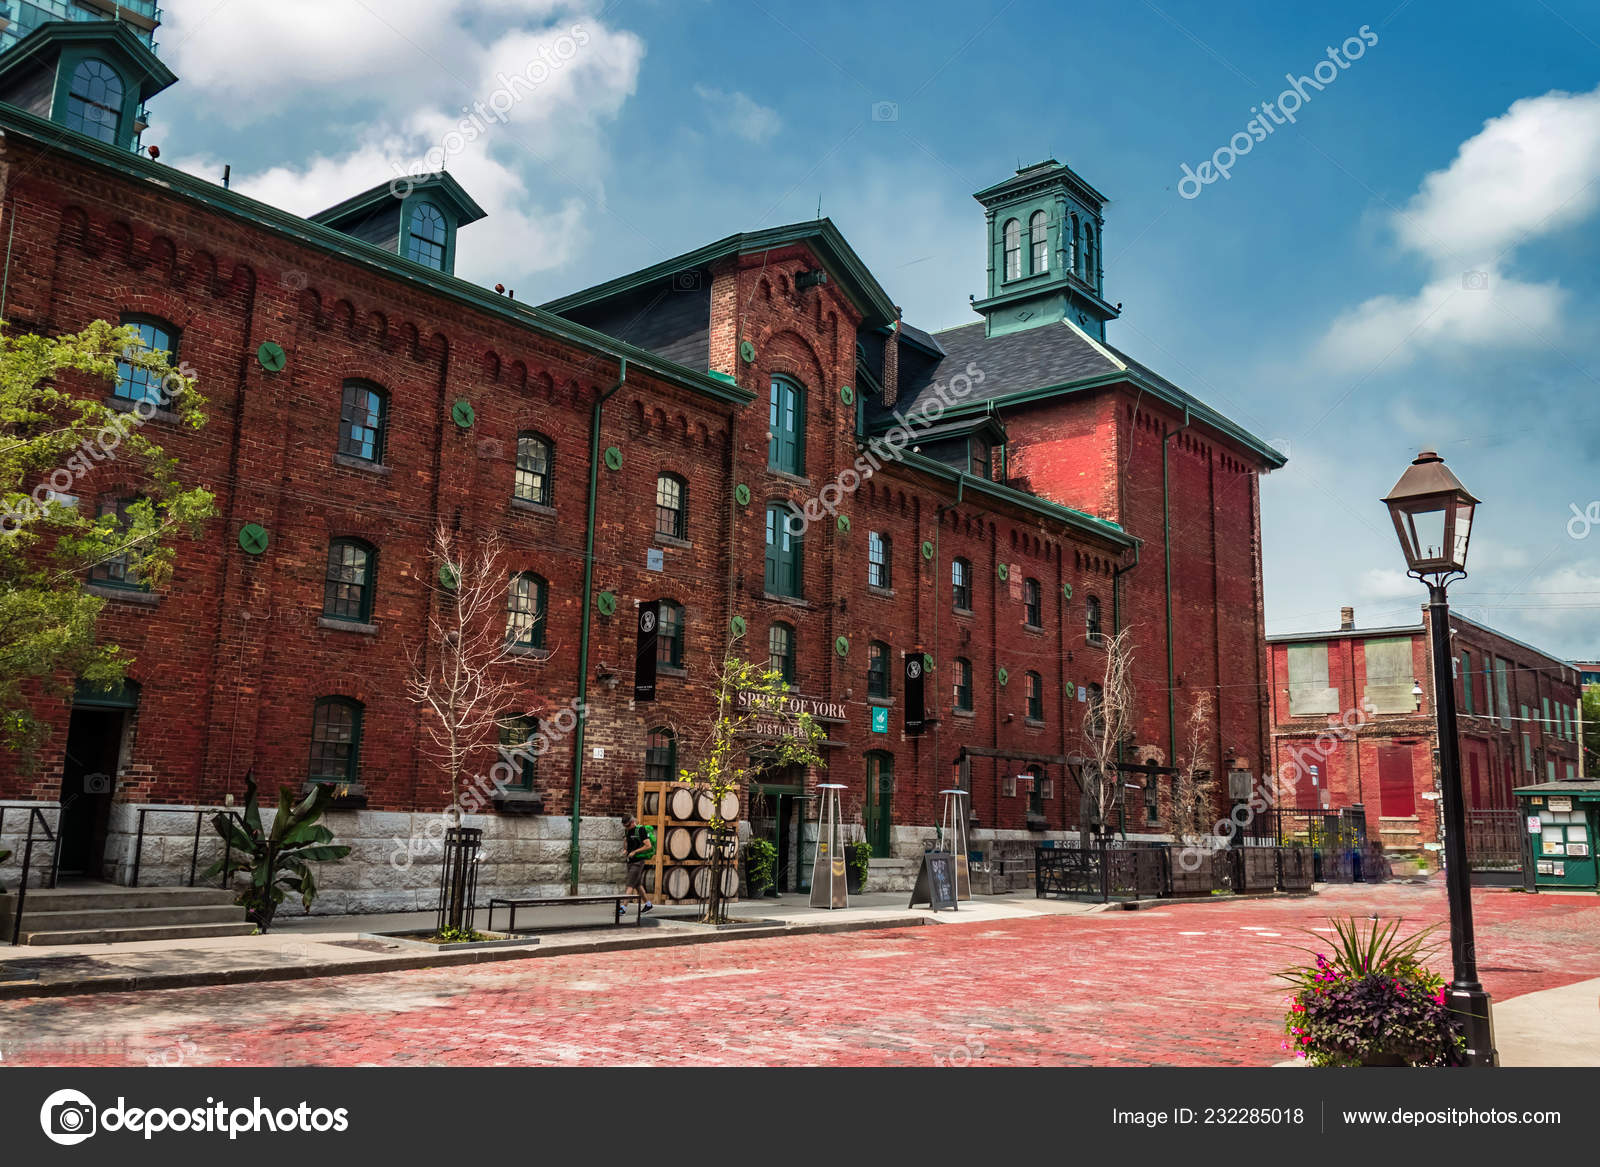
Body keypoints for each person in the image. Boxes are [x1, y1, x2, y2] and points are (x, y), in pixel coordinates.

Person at [620, 813, 654, 918]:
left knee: (630, 884)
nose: (626, 828)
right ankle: (648, 904)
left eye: (627, 825)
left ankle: (623, 908)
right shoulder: (628, 830)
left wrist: (635, 852)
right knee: (637, 885)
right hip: (630, 861)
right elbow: (627, 843)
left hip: (638, 861)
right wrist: (625, 849)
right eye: (624, 826)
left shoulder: (641, 830)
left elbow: (648, 845)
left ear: (632, 822)